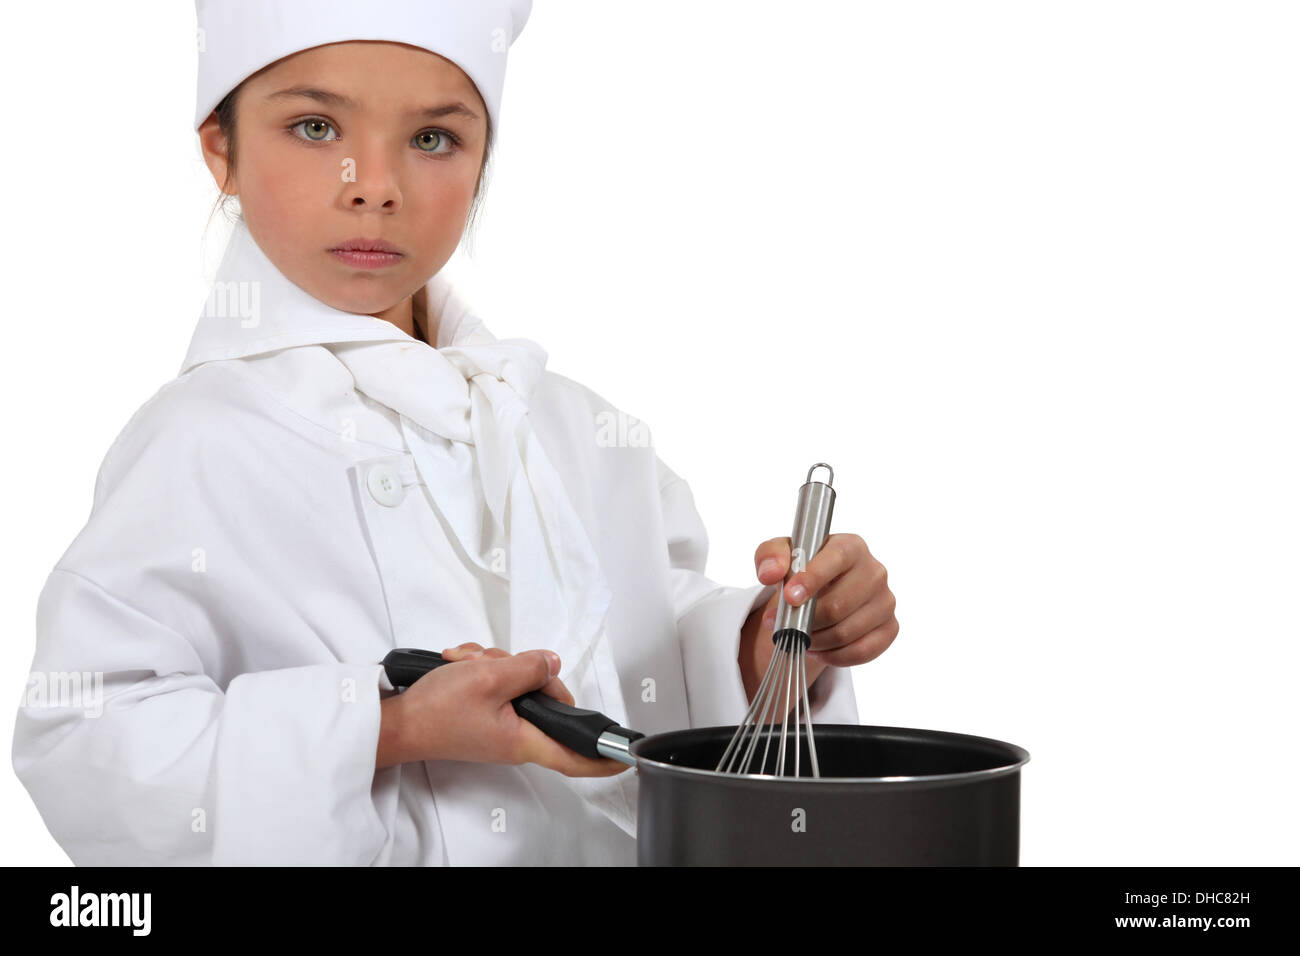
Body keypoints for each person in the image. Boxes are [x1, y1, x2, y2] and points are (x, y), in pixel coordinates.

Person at [12, 0, 898, 865]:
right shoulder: (195, 444)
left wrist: (776, 648)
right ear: (222, 148)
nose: (376, 186)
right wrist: (389, 727)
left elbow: (647, 649)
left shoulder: (575, 426)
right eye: (317, 128)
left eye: (433, 138)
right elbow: (88, 744)